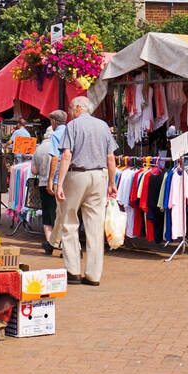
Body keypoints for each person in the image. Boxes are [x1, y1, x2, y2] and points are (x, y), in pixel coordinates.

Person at [54, 96, 118, 286]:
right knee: (95, 226)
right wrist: (112, 182)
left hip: (76, 175)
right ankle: (93, 274)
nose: (70, 113)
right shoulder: (103, 126)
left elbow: (67, 155)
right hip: (98, 176)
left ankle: (73, 271)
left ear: (78, 108)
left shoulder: (72, 127)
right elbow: (110, 157)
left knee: (69, 222)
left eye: (71, 109)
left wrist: (59, 183)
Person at [30, 110, 67, 255]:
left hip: (47, 183)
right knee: (62, 215)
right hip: (64, 182)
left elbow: (34, 170)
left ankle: (51, 244)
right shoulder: (69, 135)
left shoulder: (39, 149)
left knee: (48, 215)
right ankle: (59, 244)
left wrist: (50, 179)